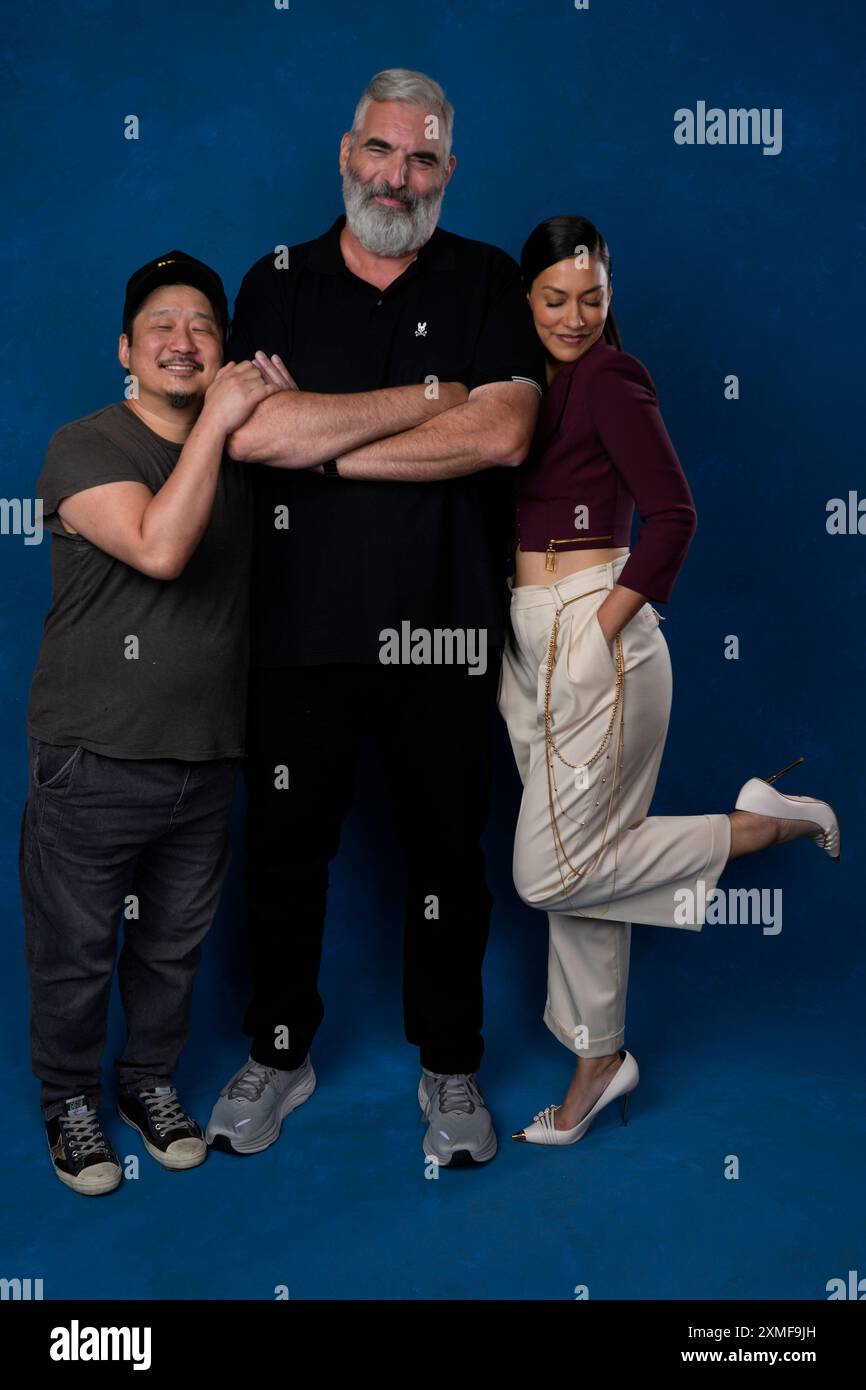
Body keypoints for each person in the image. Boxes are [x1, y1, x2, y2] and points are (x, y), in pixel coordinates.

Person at [205, 68, 545, 1168]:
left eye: (423, 158)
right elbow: (252, 437)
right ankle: (278, 1049)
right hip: (300, 633)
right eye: (380, 151)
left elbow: (503, 434)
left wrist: (330, 441)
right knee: (286, 856)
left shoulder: (492, 279)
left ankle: (449, 1067)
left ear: (449, 170)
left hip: (444, 634)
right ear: (345, 151)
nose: (397, 176)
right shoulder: (279, 280)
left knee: (447, 858)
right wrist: (435, 396)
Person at [497, 215, 841, 1147]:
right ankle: (598, 1061)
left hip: (591, 626)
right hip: (530, 634)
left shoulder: (610, 374)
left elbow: (674, 516)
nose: (575, 316)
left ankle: (769, 824)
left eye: (593, 298)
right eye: (556, 299)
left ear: (613, 297)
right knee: (586, 861)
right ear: (527, 298)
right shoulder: (542, 386)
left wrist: (597, 634)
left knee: (551, 870)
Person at [20, 251, 281, 1194]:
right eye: (162, 327)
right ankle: (69, 1104)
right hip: (92, 761)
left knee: (172, 949)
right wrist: (226, 416)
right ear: (125, 349)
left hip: (206, 758)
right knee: (76, 955)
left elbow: (319, 446)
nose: (183, 341)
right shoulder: (85, 446)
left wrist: (265, 413)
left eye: (204, 327)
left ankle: (148, 1085)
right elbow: (163, 549)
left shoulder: (235, 447)